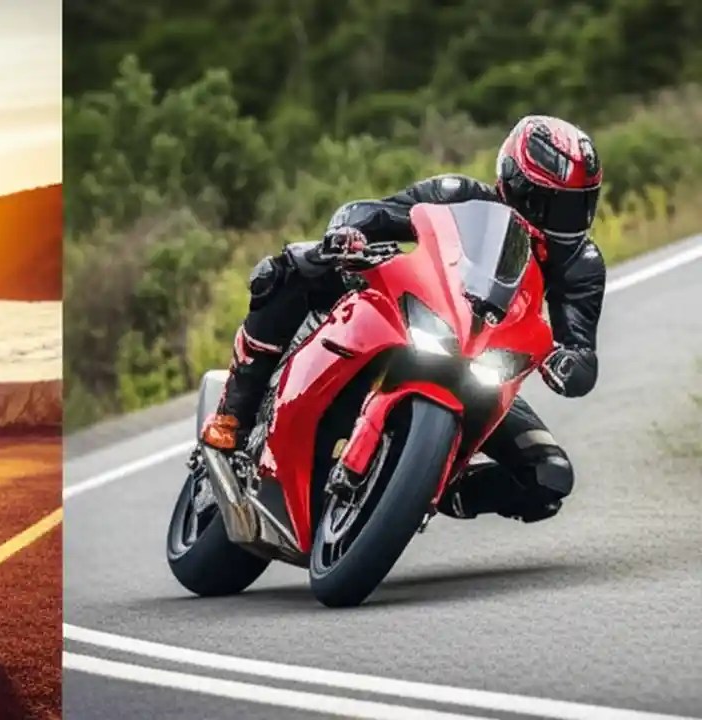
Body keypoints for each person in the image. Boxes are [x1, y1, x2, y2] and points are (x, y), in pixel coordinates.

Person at [201, 115, 605, 523]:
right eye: (554, 205)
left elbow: (582, 349)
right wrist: (351, 233)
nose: (565, 221)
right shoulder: (460, 195)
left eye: (578, 206)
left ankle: (434, 488)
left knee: (549, 477)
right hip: (416, 315)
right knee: (285, 271)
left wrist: (568, 363)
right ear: (516, 185)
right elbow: (375, 212)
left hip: (484, 366)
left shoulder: (581, 265)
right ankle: (232, 413)